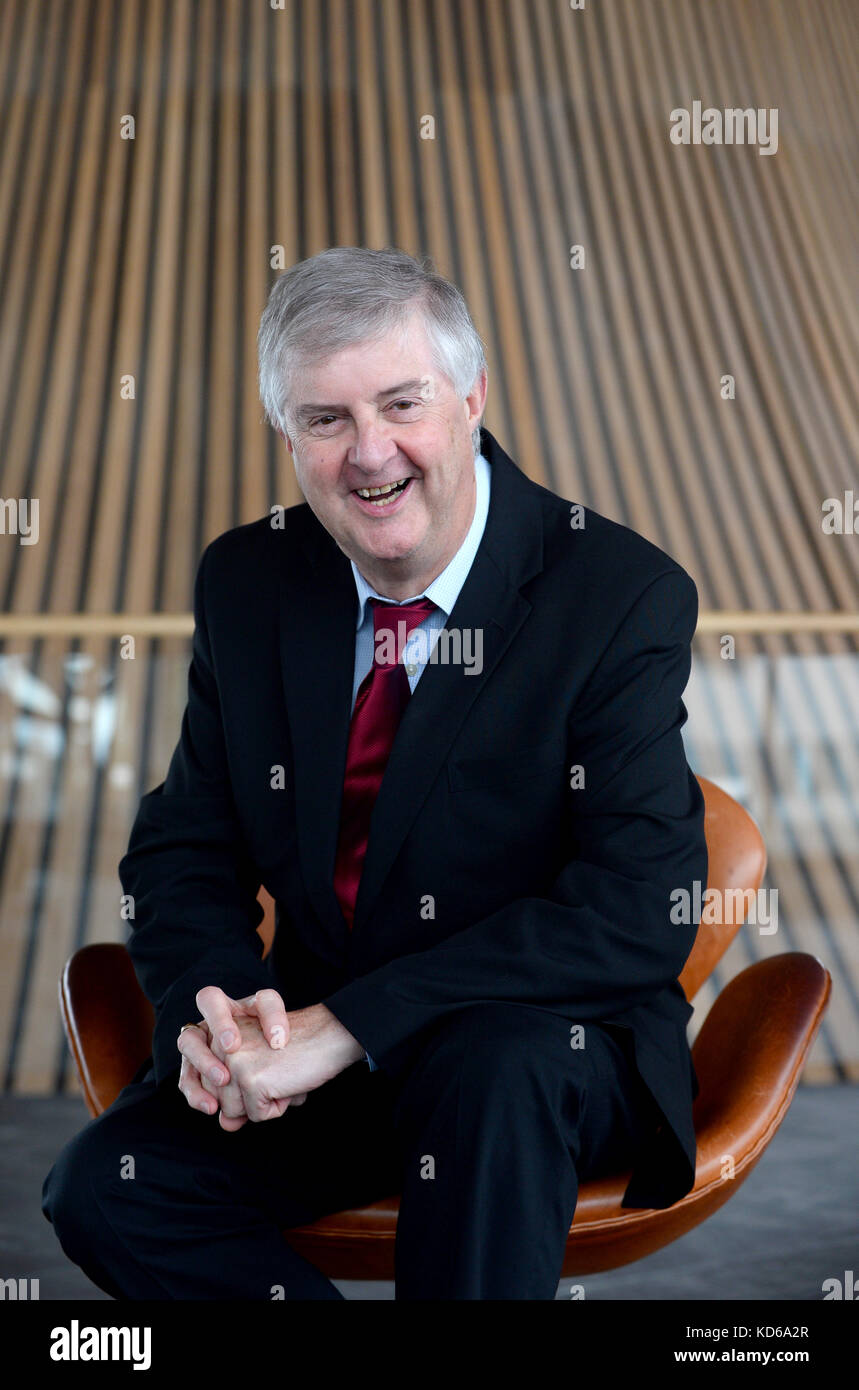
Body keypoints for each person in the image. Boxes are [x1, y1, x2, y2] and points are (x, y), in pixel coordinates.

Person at [42, 245, 707, 1300]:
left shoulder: (615, 593)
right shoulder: (249, 580)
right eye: (325, 419)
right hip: (316, 1050)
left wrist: (348, 1027)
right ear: (287, 436)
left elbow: (636, 912)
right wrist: (224, 1014)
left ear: (471, 396)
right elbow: (184, 846)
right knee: (103, 1188)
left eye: (401, 403)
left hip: (541, 1046)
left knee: (493, 1071)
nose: (369, 453)